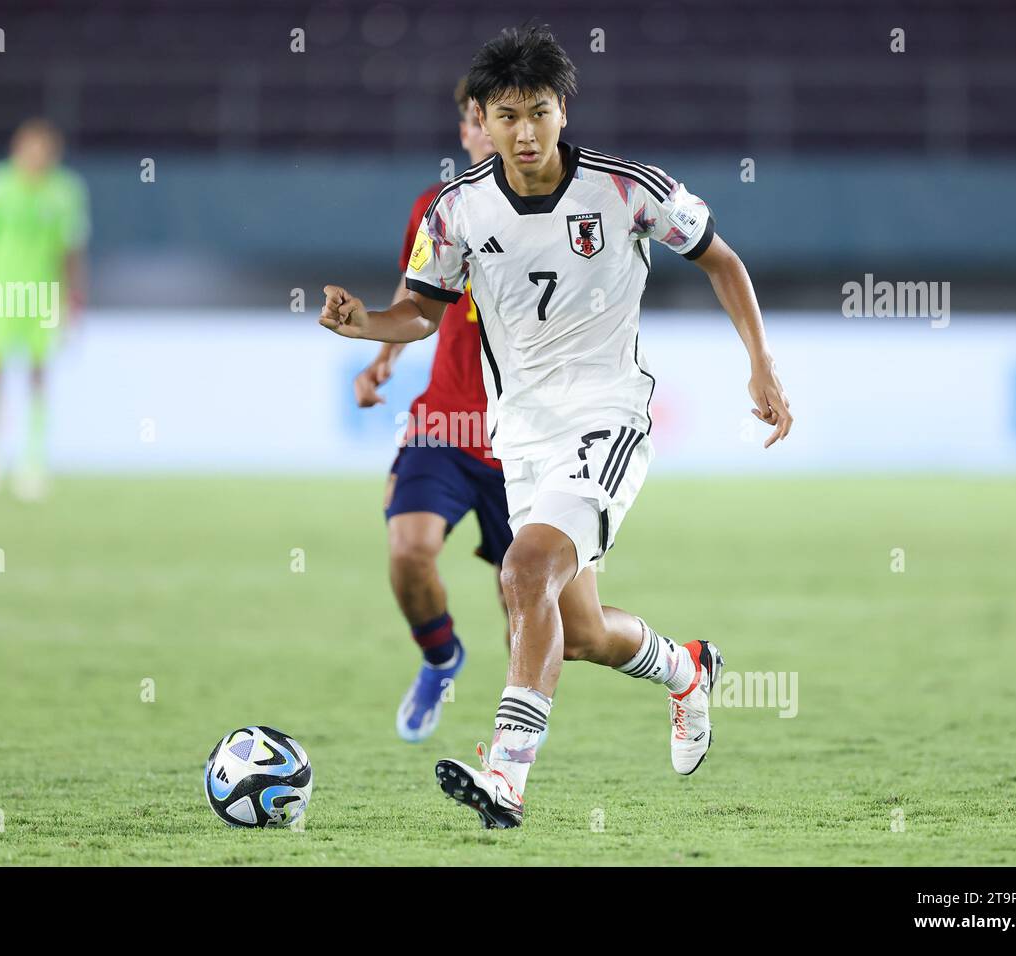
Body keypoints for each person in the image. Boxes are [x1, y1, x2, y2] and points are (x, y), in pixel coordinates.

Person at [320, 25, 792, 828]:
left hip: (608, 418)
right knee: (575, 633)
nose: (526, 131)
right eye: (507, 115)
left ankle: (504, 775)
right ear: (482, 117)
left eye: (540, 111)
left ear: (563, 109)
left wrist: (761, 363)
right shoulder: (456, 210)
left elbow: (722, 258)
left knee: (523, 571)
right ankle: (686, 669)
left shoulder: (627, 189)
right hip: (522, 438)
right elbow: (421, 314)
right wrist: (365, 323)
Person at [353, 79, 512, 743]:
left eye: (506, 118)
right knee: (407, 550)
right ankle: (441, 658)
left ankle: (514, 737)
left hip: (526, 440)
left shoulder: (563, 214)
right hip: (444, 423)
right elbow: (418, 292)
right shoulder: (439, 206)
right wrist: (383, 352)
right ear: (468, 132)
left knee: (530, 601)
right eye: (481, 120)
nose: (494, 132)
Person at [0, 118, 89, 501]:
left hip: (45, 297)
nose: (37, 157)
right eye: (31, 148)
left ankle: (33, 460)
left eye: (44, 150)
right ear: (17, 150)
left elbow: (72, 252)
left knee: (38, 373)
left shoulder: (65, 192)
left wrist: (74, 302)